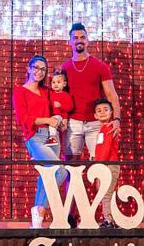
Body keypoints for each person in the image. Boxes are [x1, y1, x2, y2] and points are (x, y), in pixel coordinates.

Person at [11, 55, 67, 228]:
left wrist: (60, 119)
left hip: (52, 136)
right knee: (60, 171)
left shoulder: (46, 91)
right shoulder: (20, 91)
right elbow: (23, 119)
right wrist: (47, 120)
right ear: (28, 68)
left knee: (46, 175)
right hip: (35, 137)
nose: (39, 72)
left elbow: (58, 107)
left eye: (43, 69)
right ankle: (40, 208)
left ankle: (36, 223)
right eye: (36, 67)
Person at [61, 22, 121, 159]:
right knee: (71, 163)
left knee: (100, 162)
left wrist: (117, 119)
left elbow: (112, 95)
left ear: (87, 41)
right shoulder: (65, 68)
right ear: (70, 42)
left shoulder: (100, 66)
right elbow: (58, 97)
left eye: (82, 37)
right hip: (72, 123)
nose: (79, 40)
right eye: (75, 38)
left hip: (96, 122)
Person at [92, 98, 121, 228]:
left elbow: (106, 149)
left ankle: (109, 220)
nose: (102, 112)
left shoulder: (110, 128)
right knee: (103, 193)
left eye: (105, 110)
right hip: (102, 165)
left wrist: (98, 165)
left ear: (111, 112)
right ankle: (109, 219)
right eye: (99, 111)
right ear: (95, 115)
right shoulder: (101, 130)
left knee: (106, 193)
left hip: (108, 165)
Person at [47, 70, 73, 146]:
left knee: (53, 121)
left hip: (60, 117)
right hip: (50, 116)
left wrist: (61, 106)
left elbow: (70, 107)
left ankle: (52, 138)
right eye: (53, 82)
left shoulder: (66, 95)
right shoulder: (50, 94)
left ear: (64, 84)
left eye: (58, 82)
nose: (56, 84)